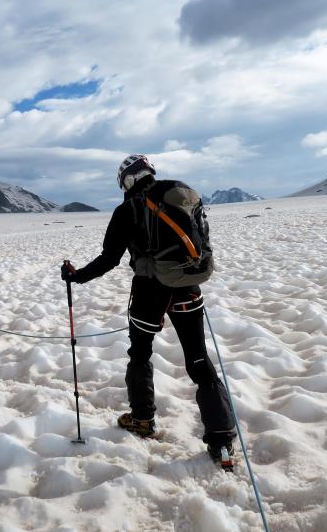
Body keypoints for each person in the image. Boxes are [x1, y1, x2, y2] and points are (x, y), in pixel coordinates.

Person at [60, 154, 237, 463]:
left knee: (140, 353)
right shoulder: (181, 195)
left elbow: (109, 259)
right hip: (188, 285)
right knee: (198, 359)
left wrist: (76, 277)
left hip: (149, 291)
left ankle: (143, 419)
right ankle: (221, 440)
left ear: (126, 180)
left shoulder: (127, 209)